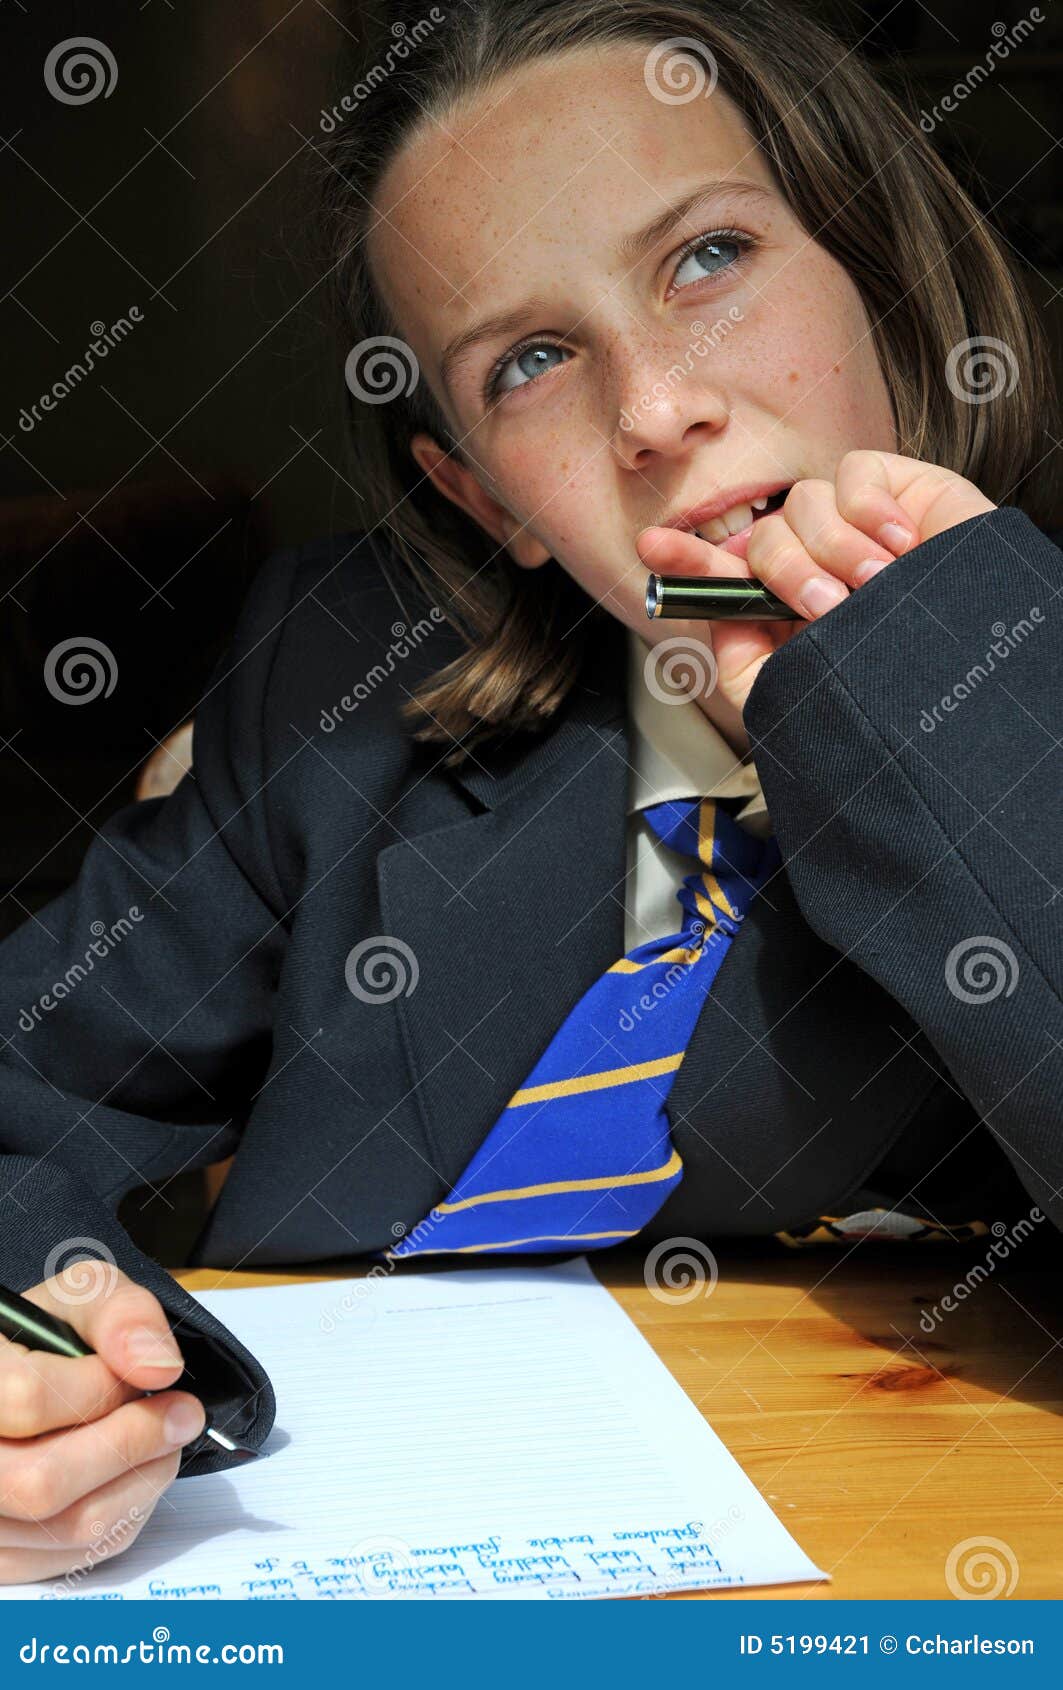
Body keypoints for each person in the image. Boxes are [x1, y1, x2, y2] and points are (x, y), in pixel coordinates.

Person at [0, 0, 1059, 1586]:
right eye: (533, 362)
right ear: (483, 495)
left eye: (707, 258)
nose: (653, 413)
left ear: (883, 276)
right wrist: (45, 1354)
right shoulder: (335, 677)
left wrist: (932, 669)